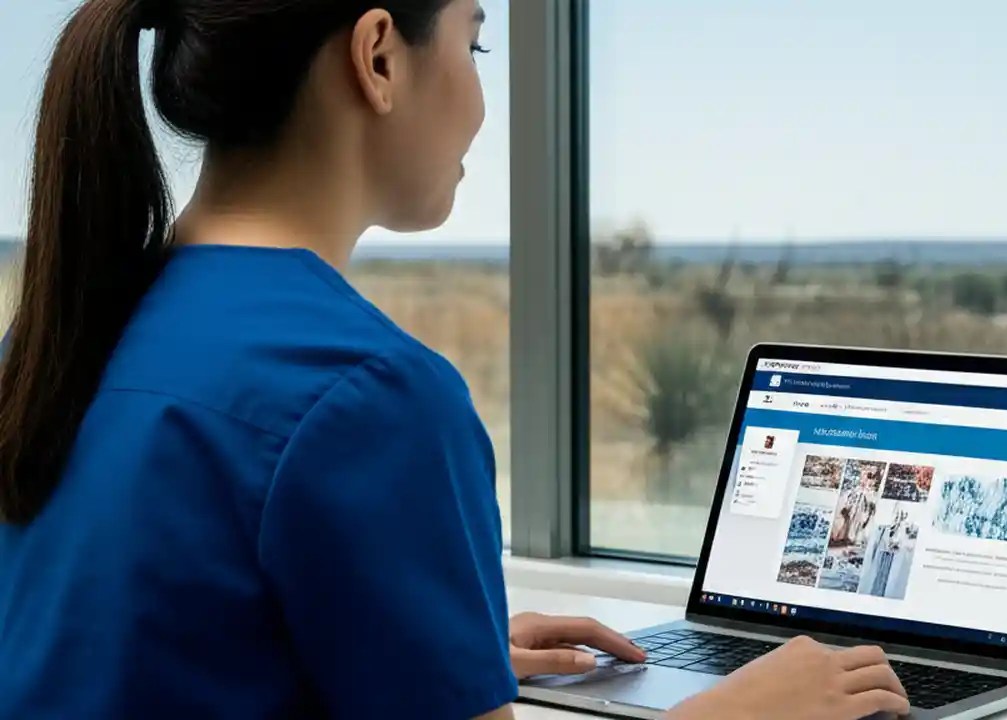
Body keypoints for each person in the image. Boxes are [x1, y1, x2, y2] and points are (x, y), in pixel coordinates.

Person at [0, 1, 910, 718]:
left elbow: (161, 642)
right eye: (474, 46)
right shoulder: (370, 396)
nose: (480, 101)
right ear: (378, 58)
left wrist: (435, 653)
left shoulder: (53, 342)